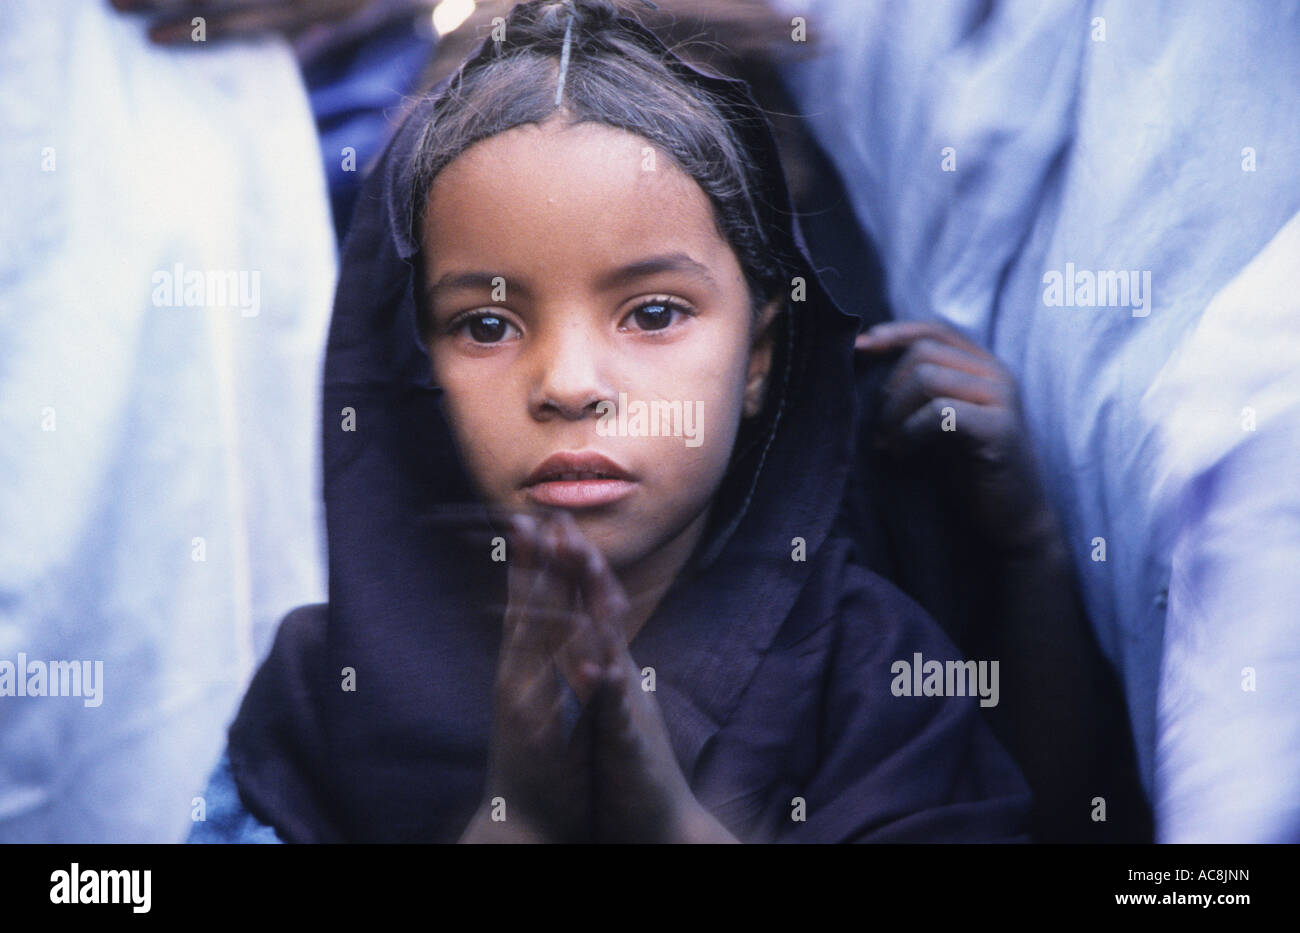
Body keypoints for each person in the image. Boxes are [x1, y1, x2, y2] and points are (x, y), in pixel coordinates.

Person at [189, 0, 1030, 843]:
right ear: (417, 363)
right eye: (486, 325)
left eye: (654, 312)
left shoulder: (876, 671)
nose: (568, 383)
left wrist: (667, 826)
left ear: (761, 355)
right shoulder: (320, 683)